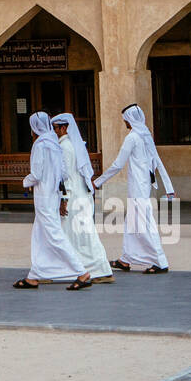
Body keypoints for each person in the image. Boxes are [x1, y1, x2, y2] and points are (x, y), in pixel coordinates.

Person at [93, 103, 176, 274]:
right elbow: (157, 161)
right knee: (132, 223)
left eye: (126, 120)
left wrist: (98, 182)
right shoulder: (146, 134)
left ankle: (160, 261)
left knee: (145, 223)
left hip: (139, 187)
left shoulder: (133, 138)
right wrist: (168, 187)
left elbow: (117, 165)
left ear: (130, 120)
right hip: (142, 186)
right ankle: (126, 259)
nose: (125, 123)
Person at [13, 112, 91, 291]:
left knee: (55, 236)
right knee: (40, 236)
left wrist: (25, 181)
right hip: (53, 196)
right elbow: (63, 173)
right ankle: (34, 276)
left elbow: (37, 174)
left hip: (44, 197)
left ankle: (81, 272)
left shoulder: (40, 145)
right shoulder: (55, 143)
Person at [51, 112, 113, 283]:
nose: (54, 131)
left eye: (55, 128)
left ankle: (99, 270)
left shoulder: (64, 147)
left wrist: (64, 199)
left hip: (74, 197)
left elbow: (67, 177)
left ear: (64, 128)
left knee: (81, 235)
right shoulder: (73, 145)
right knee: (81, 235)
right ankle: (84, 268)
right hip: (82, 196)